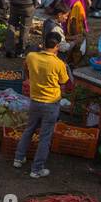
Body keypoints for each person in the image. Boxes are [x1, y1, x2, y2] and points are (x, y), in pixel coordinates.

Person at [12, 33, 70, 179]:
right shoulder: (59, 64)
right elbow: (64, 82)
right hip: (51, 103)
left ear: (43, 44)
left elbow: (25, 68)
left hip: (35, 101)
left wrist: (31, 78)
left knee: (29, 129)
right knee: (45, 137)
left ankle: (18, 159)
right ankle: (36, 169)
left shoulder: (32, 56)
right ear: (56, 47)